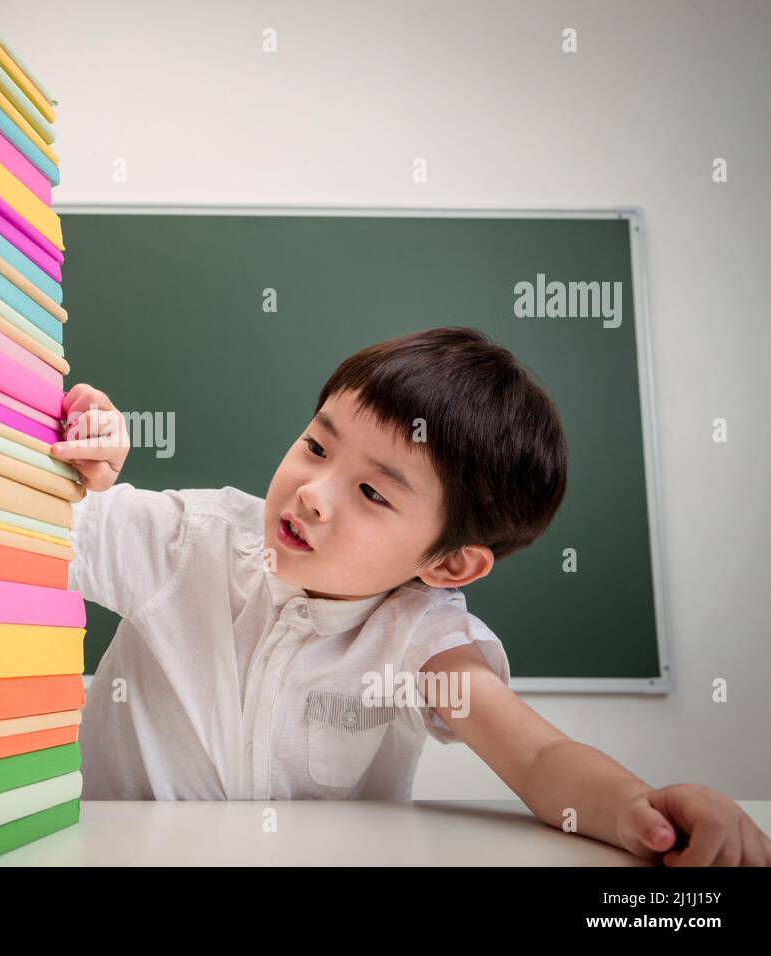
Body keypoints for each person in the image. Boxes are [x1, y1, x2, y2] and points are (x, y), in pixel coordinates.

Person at [49, 326, 770, 867]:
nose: (312, 493)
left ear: (451, 564)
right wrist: (76, 455)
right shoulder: (186, 540)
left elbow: (537, 758)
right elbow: (24, 523)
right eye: (317, 447)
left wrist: (639, 809)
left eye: (371, 492)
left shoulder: (422, 638)